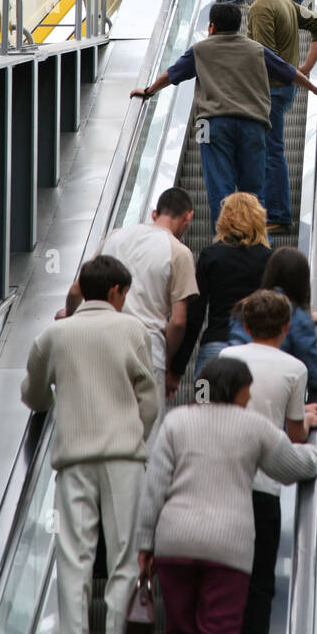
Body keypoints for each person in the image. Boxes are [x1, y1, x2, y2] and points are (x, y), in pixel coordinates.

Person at [136, 356, 317, 634]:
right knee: (219, 631)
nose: (249, 397)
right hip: (227, 546)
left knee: (180, 633)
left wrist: (145, 543)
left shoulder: (176, 421)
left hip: (175, 543)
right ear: (237, 390)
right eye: (247, 390)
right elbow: (290, 467)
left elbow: (154, 487)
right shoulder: (253, 426)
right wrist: (314, 457)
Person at [21, 256, 158, 634]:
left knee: (74, 558)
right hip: (123, 458)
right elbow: (147, 397)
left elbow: (33, 395)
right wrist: (137, 431)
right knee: (123, 558)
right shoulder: (132, 329)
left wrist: (53, 394)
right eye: (125, 293)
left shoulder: (55, 334)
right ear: (116, 291)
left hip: (73, 459)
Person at [130, 1, 317, 233]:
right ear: (239, 26)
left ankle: (226, 242)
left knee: (220, 186)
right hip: (253, 124)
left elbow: (172, 75)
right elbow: (289, 73)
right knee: (253, 191)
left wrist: (148, 91)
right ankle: (256, 243)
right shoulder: (256, 49)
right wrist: (316, 89)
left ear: (212, 27)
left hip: (212, 124)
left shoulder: (200, 50)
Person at [220, 291, 317, 634]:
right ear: (285, 328)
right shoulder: (294, 368)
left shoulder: (226, 356)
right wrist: (308, 421)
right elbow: (295, 435)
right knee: (260, 582)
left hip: (222, 485)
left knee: (222, 579)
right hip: (264, 488)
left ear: (245, 325)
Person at [62, 188, 197, 448]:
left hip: (99, 342)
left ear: (154, 213)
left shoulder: (116, 236)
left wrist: (70, 315)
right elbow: (179, 321)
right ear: (188, 217)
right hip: (147, 349)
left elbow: (76, 289)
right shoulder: (179, 252)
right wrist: (167, 363)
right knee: (146, 438)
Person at [237, 0, 317, 231]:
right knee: (269, 149)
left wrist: (301, 74)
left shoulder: (261, 8)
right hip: (283, 88)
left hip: (269, 90)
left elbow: (267, 57)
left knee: (269, 151)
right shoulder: (284, 2)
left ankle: (277, 213)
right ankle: (273, 210)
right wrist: (304, 68)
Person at [169, 192, 272, 384]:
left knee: (202, 404)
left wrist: (177, 368)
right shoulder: (270, 259)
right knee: (248, 411)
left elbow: (195, 315)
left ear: (224, 219)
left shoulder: (211, 256)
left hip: (213, 353)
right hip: (255, 352)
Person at [227, 246, 317, 400]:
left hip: (237, 407)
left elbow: (204, 385)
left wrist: (205, 405)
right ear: (285, 327)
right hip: (276, 410)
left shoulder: (244, 308)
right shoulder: (297, 320)